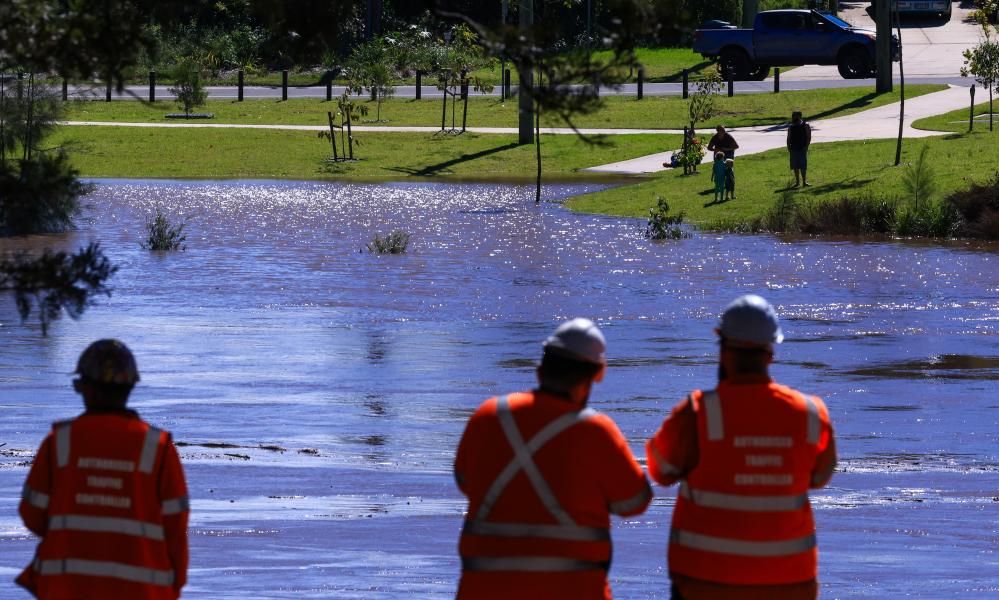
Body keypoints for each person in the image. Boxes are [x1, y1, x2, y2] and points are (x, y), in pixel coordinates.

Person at [646, 295, 837, 600]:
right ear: (770, 353)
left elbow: (660, 470)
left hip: (705, 584)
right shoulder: (811, 414)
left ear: (722, 350)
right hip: (789, 585)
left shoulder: (697, 414)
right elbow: (819, 476)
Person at [455, 318, 652, 600]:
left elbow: (465, 481)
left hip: (483, 590)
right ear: (596, 374)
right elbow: (635, 502)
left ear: (540, 369)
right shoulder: (596, 431)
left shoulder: (488, 416)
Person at [17, 339, 189, 599]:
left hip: (66, 589)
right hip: (142, 591)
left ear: (85, 388)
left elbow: (32, 515)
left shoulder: (60, 442)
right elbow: (175, 527)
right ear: (130, 386)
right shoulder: (157, 447)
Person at [787, 111, 812, 187]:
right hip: (793, 148)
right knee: (795, 166)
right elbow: (788, 137)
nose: (794, 118)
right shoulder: (791, 126)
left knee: (803, 165)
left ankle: (804, 182)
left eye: (795, 116)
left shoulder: (805, 125)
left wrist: (806, 147)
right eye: (793, 116)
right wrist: (788, 147)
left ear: (800, 116)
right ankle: (797, 182)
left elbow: (808, 137)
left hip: (802, 148)